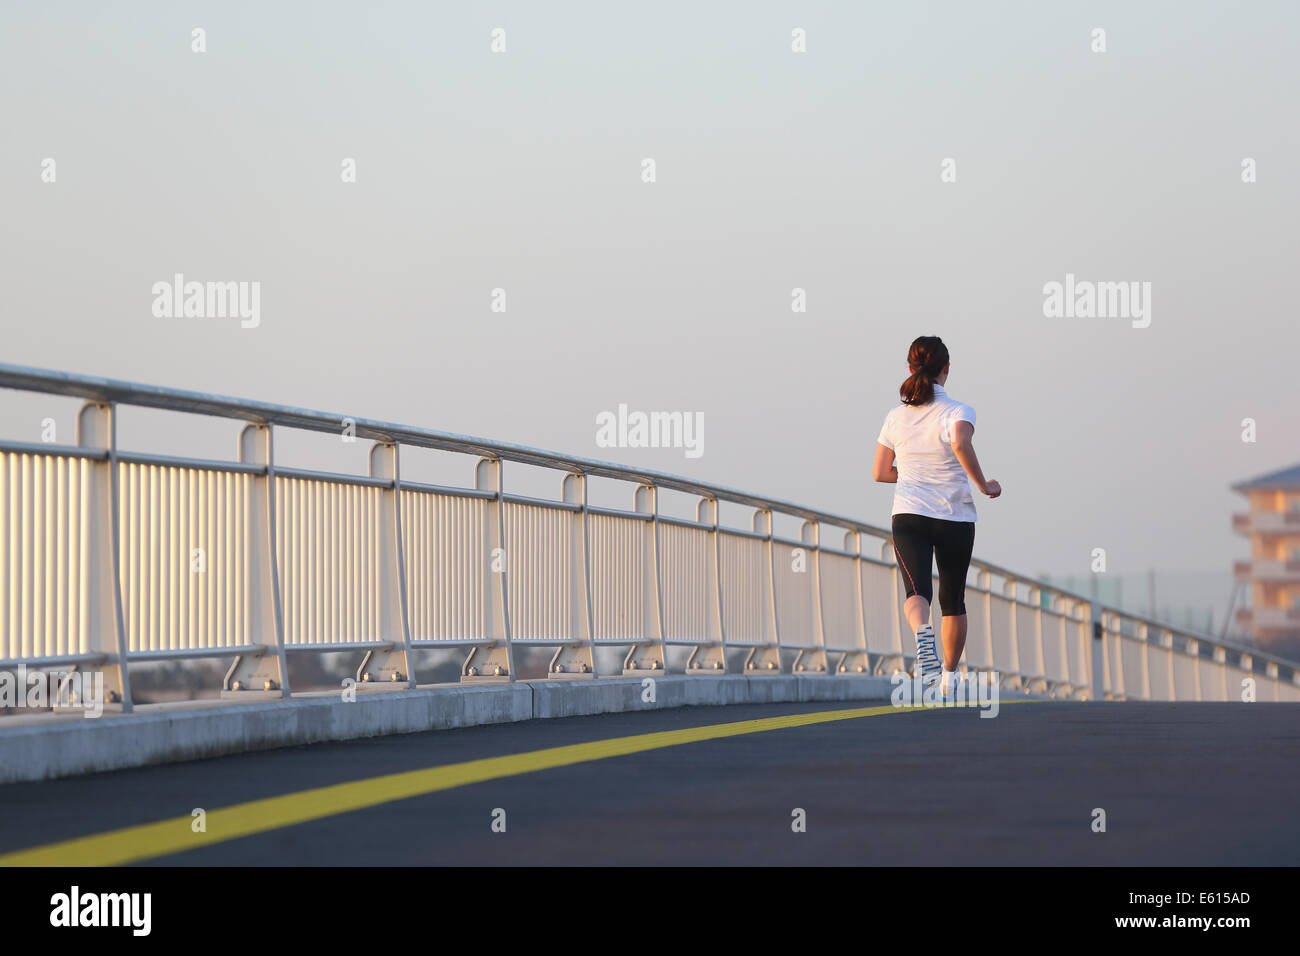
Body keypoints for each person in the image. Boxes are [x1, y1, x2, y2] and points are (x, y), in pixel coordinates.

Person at [872, 335, 1001, 700]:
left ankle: (920, 634)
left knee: (916, 592)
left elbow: (880, 472)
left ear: (910, 369)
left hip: (909, 513)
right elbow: (960, 441)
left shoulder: (895, 417)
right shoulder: (959, 410)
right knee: (953, 599)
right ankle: (948, 675)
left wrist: (913, 471)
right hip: (954, 516)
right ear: (946, 369)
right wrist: (983, 484)